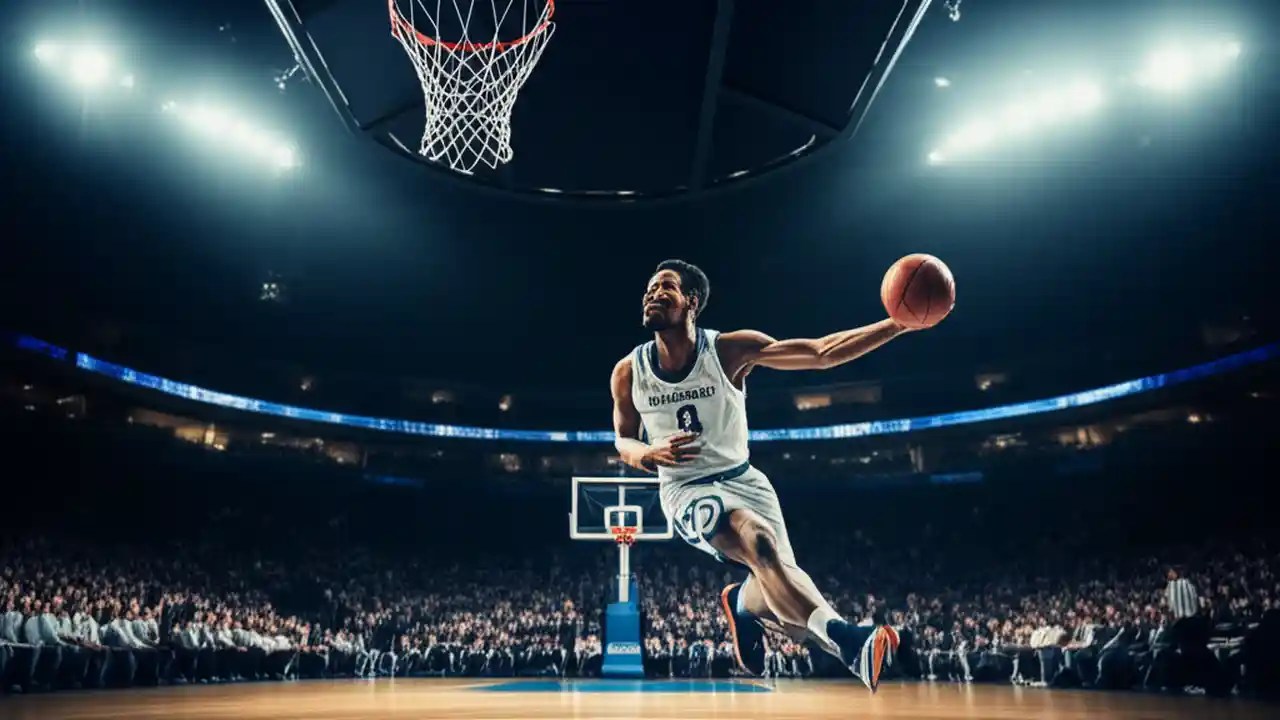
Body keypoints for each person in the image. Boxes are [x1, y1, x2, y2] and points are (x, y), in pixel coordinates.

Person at [609, 259, 935, 691]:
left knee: (781, 588)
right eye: (649, 288)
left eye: (664, 287)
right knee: (757, 540)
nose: (652, 294)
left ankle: (743, 603)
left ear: (692, 302)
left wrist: (897, 324)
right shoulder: (629, 372)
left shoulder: (729, 350)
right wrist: (645, 453)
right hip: (686, 489)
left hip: (744, 480)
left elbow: (822, 353)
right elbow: (622, 439)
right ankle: (849, 640)